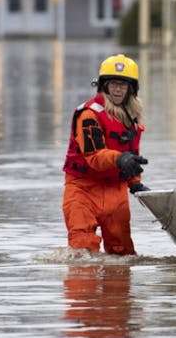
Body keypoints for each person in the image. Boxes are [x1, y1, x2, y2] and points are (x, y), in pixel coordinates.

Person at [62, 54, 148, 255]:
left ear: (131, 89)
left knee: (122, 254)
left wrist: (135, 183)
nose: (118, 89)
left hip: (115, 191)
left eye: (123, 85)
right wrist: (119, 158)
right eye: (114, 84)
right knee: (82, 252)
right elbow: (94, 157)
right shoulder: (88, 115)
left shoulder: (130, 118)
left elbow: (132, 157)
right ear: (104, 86)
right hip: (82, 189)